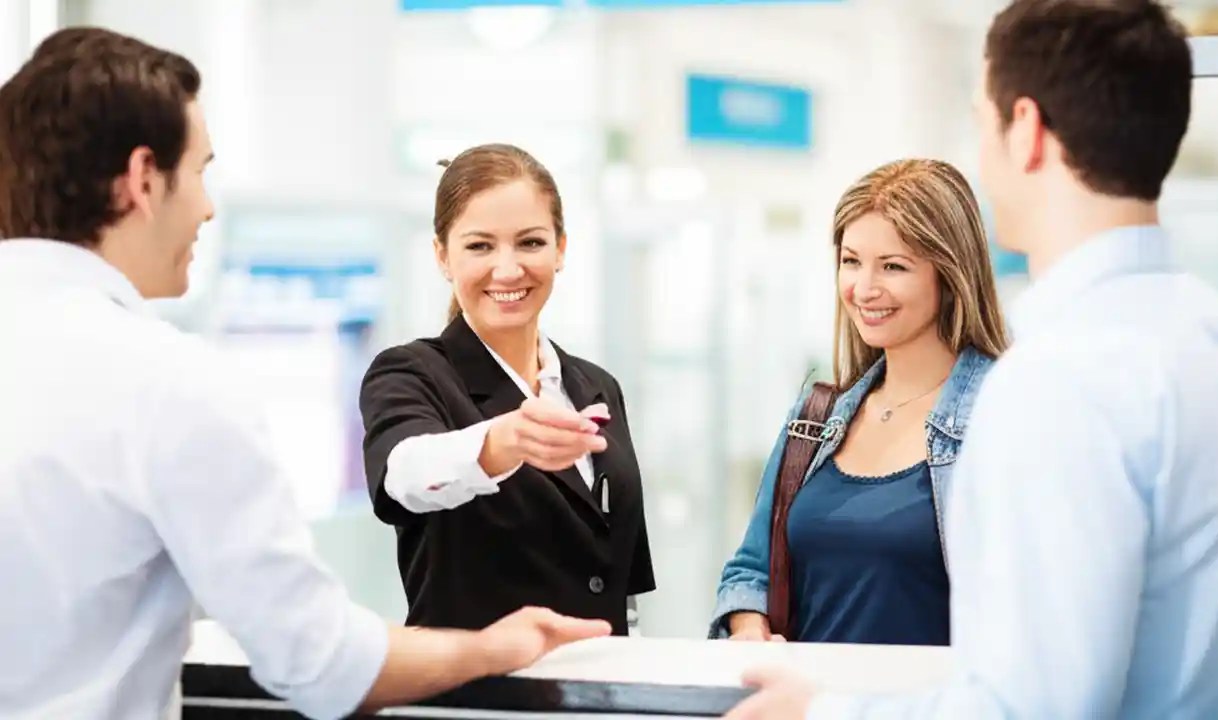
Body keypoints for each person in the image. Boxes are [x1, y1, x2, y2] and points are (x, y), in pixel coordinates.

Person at [0, 27, 608, 720]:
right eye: (201, 171)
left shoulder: (591, 382)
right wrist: (494, 650)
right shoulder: (166, 382)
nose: (208, 206)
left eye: (531, 242)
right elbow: (316, 660)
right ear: (143, 180)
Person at [728, 1, 1218, 718]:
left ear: (1024, 130)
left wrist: (818, 713)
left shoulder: (1058, 379)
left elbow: (1034, 705)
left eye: (979, 119)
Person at [360, 143, 656, 636]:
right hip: (479, 698)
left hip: (598, 691)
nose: (508, 268)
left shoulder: (596, 386)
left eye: (531, 243)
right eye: (479, 246)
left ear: (561, 249)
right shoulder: (411, 373)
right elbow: (403, 476)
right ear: (442, 256)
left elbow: (621, 579)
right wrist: (499, 444)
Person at [709, 159, 1008, 646]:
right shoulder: (816, 417)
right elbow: (750, 570)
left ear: (950, 274)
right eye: (851, 261)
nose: (864, 289)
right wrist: (749, 630)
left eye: (893, 266)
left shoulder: (1003, 415)